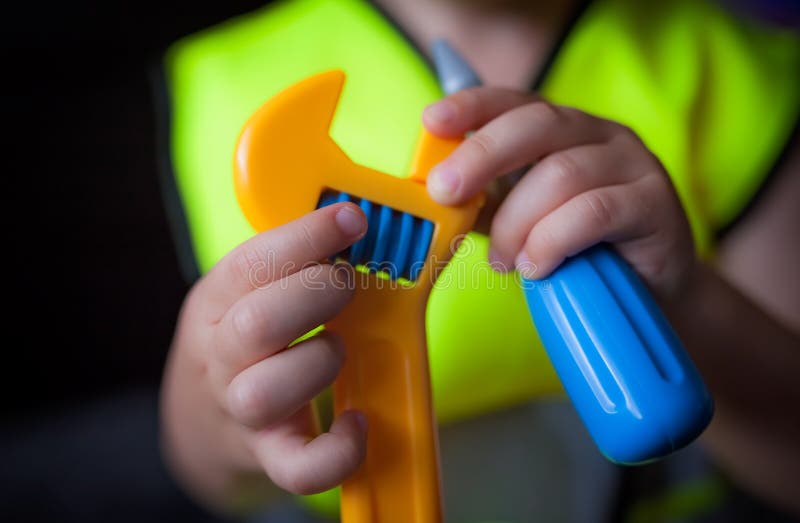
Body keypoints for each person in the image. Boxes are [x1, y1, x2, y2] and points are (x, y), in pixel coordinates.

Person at [158, 0, 800, 521]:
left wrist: (684, 301)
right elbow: (213, 482)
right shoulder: (220, 83)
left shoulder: (734, 73)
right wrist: (222, 417)